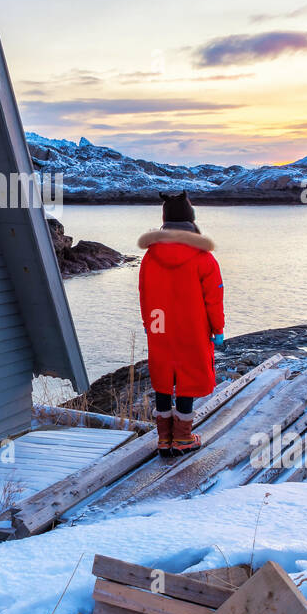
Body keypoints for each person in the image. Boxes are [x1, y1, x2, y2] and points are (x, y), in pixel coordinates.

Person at [137, 191, 225, 455]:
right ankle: (183, 438)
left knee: (164, 377)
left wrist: (148, 323)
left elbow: (144, 293)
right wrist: (218, 329)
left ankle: (164, 439)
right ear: (191, 220)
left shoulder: (150, 256)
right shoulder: (203, 257)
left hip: (159, 326)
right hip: (193, 328)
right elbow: (214, 298)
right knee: (188, 376)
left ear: (165, 221)